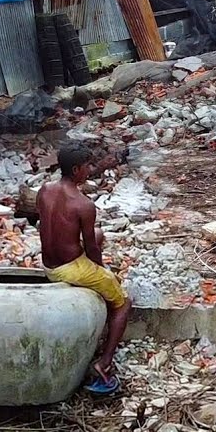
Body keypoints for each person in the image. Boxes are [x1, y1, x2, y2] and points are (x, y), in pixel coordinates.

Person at [37, 143, 131, 394]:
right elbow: (91, 250)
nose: (90, 170)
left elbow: (47, 226)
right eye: (88, 166)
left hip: (48, 262)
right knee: (122, 302)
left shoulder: (45, 190)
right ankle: (105, 362)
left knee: (99, 233)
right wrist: (102, 273)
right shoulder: (84, 205)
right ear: (77, 169)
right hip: (69, 268)